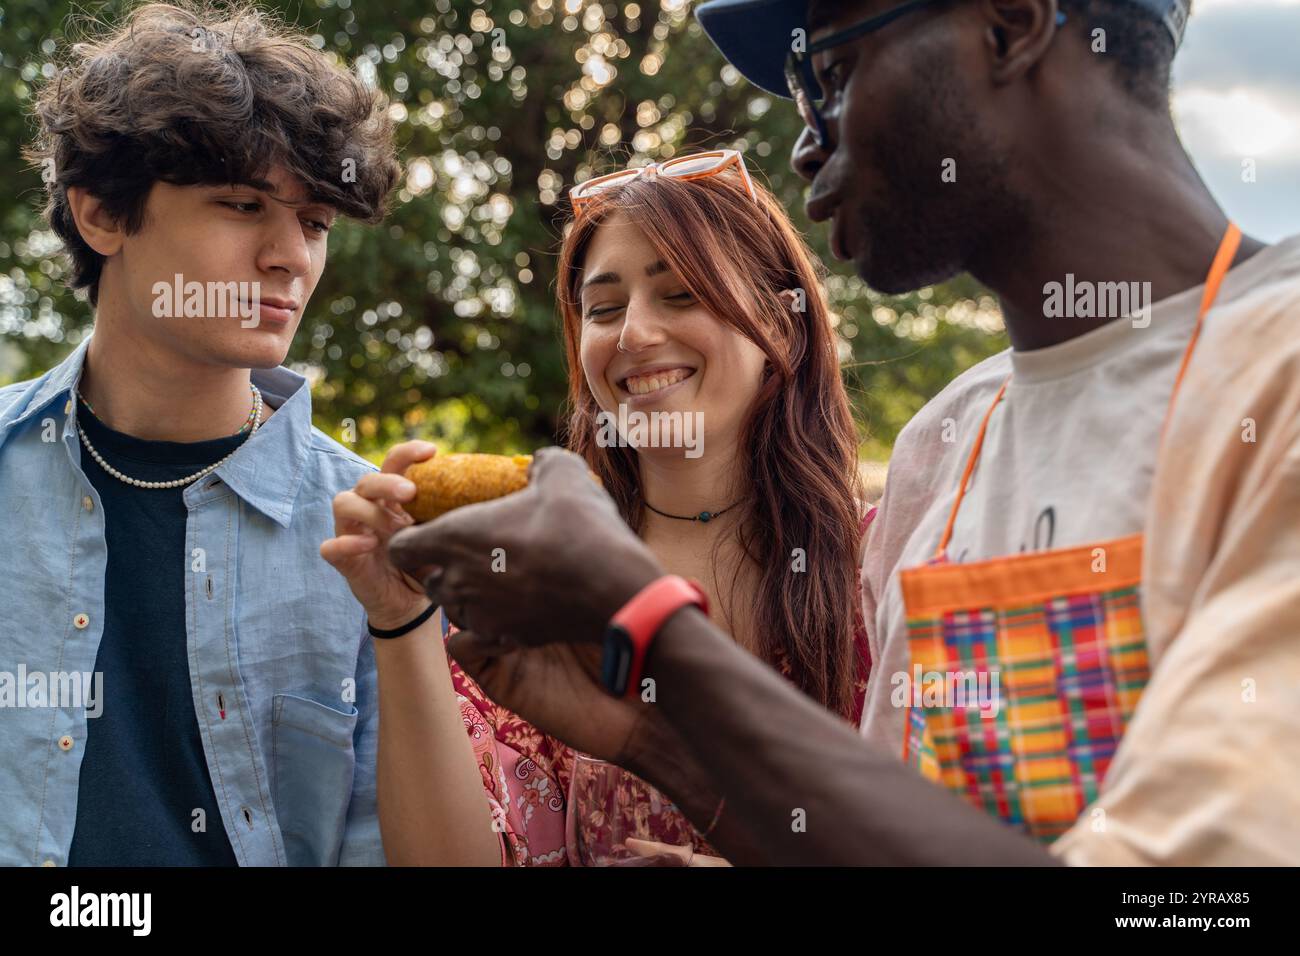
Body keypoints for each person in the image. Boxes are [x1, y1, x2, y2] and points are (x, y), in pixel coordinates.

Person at [388, 0, 1300, 864]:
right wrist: (648, 738)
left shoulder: (1277, 375)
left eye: (829, 70)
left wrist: (651, 622)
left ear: (1011, 25)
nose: (806, 136)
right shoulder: (946, 445)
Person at [322, 151, 874, 866]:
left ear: (784, 326)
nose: (633, 335)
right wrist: (401, 623)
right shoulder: (535, 584)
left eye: (679, 295)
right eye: (604, 308)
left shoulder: (888, 564)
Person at [0, 1, 399, 866]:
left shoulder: (370, 532)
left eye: (316, 223)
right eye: (241, 204)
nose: (291, 255)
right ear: (103, 214)